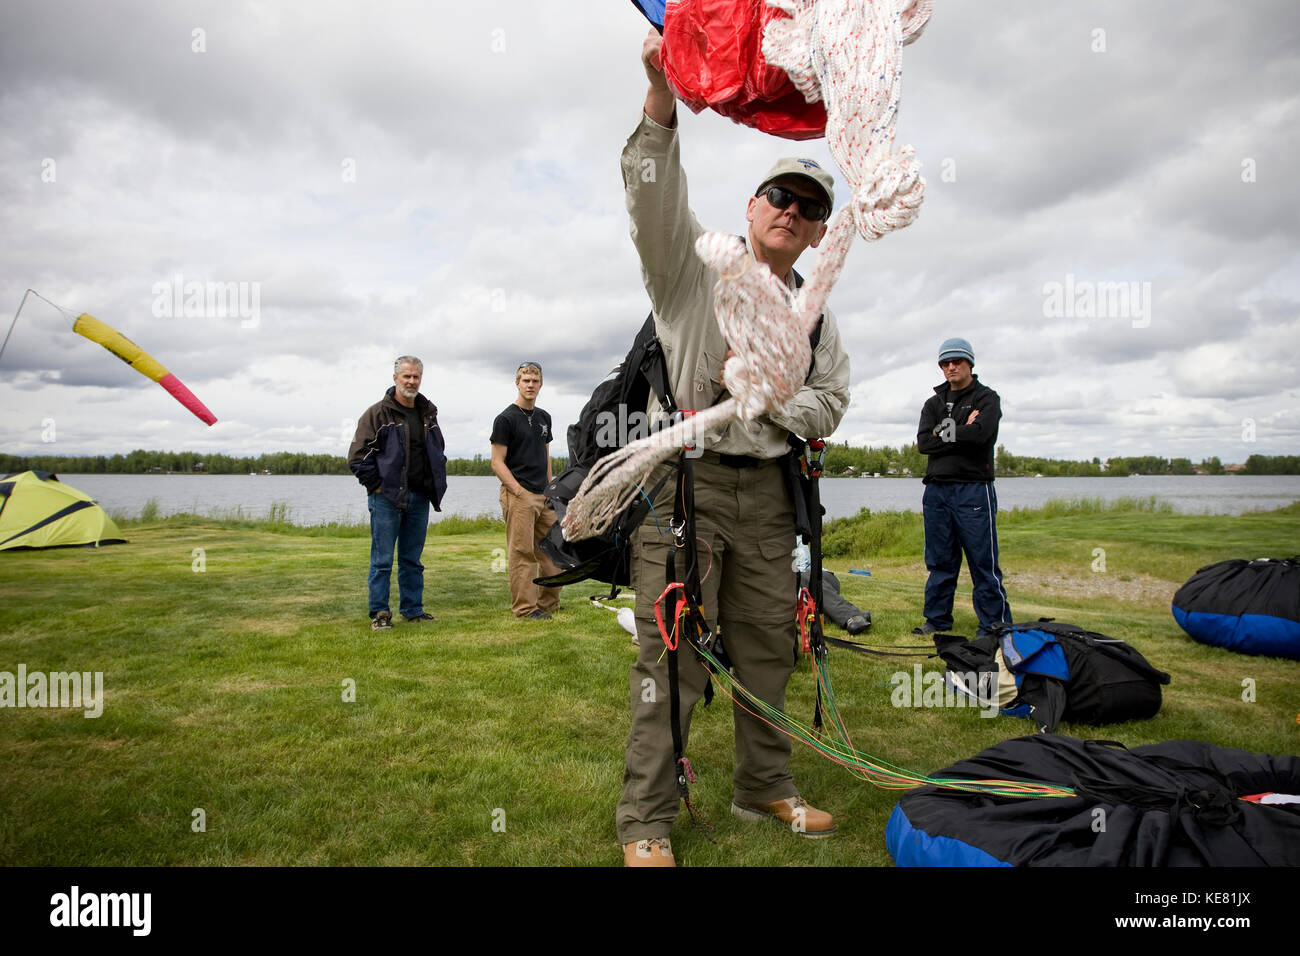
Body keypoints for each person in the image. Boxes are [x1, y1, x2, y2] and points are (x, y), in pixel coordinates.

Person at [616, 29, 851, 867]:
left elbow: (831, 404)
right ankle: (646, 820)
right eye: (778, 196)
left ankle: (764, 787)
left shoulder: (816, 315)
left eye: (809, 206)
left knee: (768, 649)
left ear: (819, 233)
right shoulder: (692, 272)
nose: (791, 211)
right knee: (669, 653)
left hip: (768, 496)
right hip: (687, 490)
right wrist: (659, 96)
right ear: (751, 208)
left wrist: (774, 394)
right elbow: (651, 199)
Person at [914, 338, 1012, 637]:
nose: (950, 367)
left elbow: (981, 434)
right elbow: (924, 443)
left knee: (983, 561)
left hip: (973, 489)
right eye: (945, 363)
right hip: (937, 491)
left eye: (956, 361)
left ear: (969, 363)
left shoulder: (987, 399)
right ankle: (937, 620)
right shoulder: (933, 404)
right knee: (940, 560)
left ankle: (994, 624)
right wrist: (961, 428)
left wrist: (945, 431)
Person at [348, 356, 447, 631]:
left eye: (416, 377)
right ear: (395, 379)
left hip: (419, 497)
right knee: (381, 560)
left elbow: (437, 451)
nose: (411, 381)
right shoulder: (377, 413)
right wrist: (377, 486)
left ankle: (413, 610)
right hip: (386, 498)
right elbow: (357, 457)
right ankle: (379, 613)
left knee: (411, 559)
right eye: (406, 376)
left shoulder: (427, 413)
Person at [490, 362, 563, 620]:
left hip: (544, 495)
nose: (530, 385)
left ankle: (548, 603)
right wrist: (518, 491)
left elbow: (546, 455)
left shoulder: (544, 417)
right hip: (519, 494)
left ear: (541, 384)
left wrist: (551, 488)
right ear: (517, 384)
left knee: (554, 549)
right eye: (525, 380)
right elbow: (496, 461)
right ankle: (525, 608)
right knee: (523, 553)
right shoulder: (505, 419)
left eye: (534, 381)